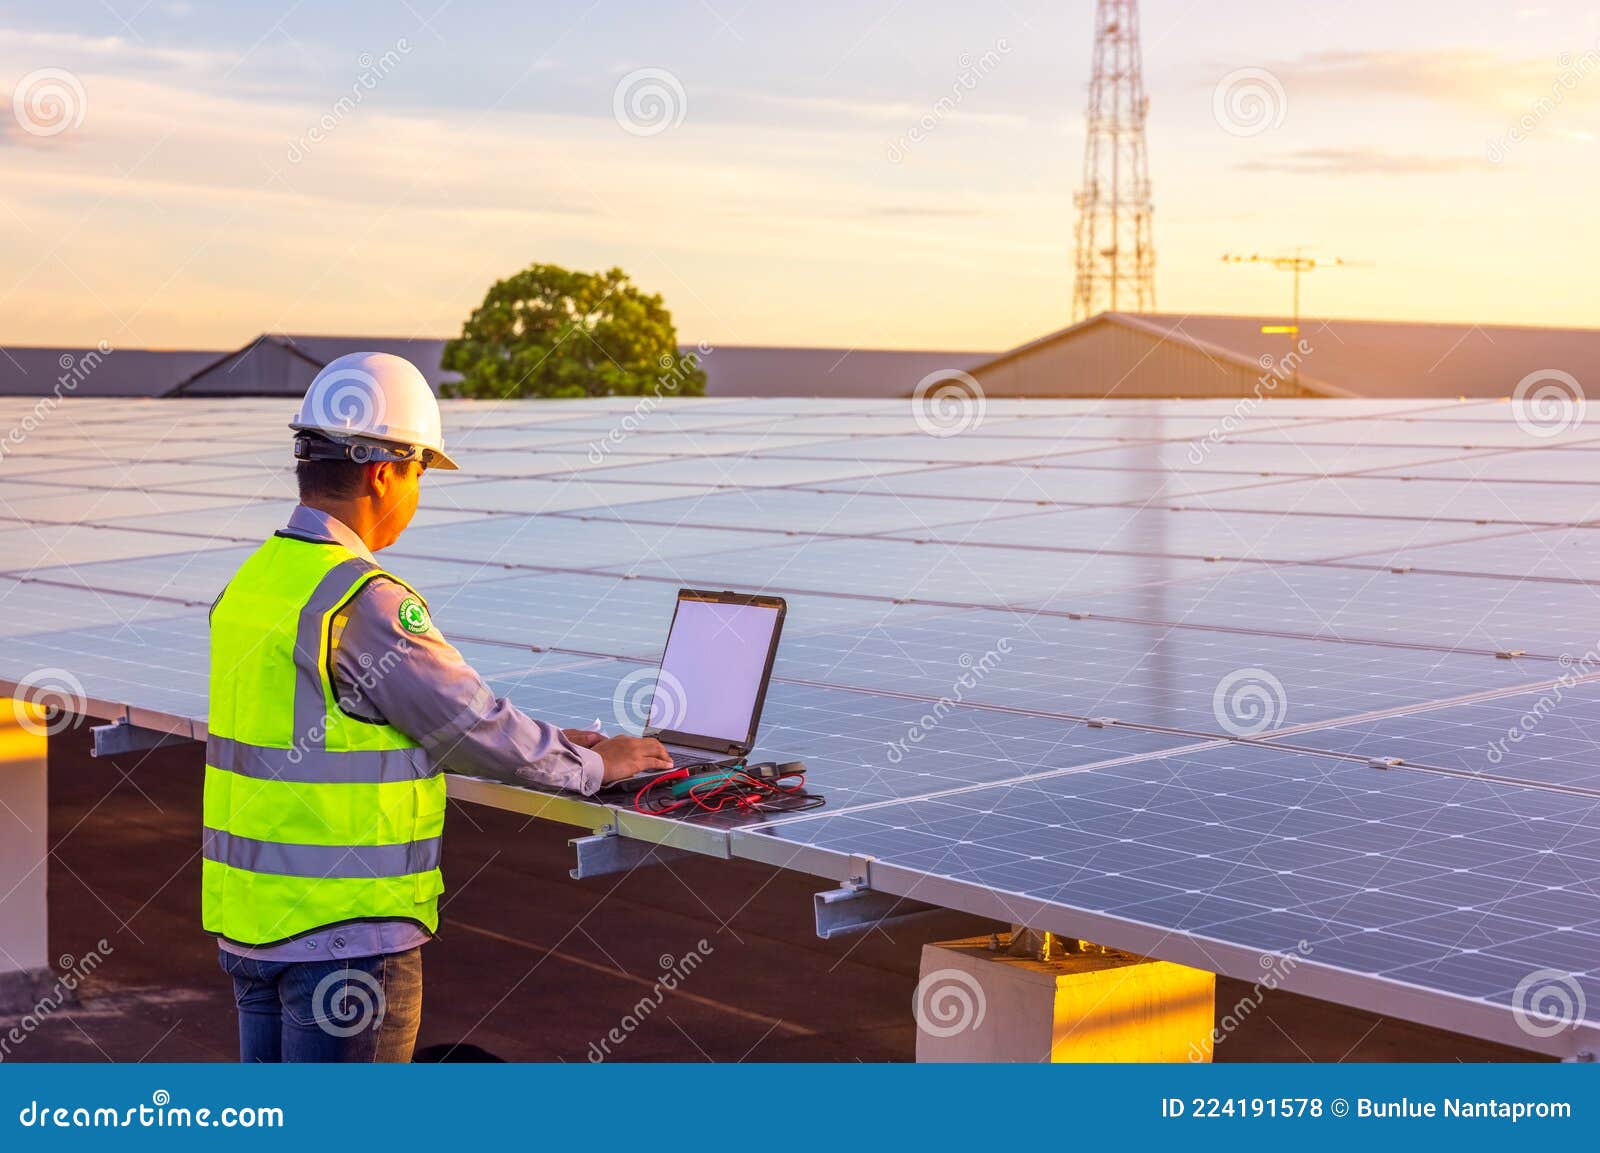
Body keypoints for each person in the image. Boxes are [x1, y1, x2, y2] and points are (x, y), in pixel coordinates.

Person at [202, 351, 670, 1062]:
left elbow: (339, 727)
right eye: (421, 471)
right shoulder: (361, 599)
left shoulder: (254, 584)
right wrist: (592, 763)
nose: (418, 493)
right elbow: (471, 725)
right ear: (386, 469)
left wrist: (551, 739)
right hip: (345, 940)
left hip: (253, 928)